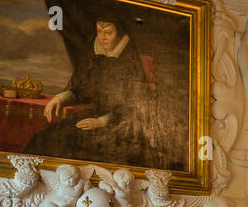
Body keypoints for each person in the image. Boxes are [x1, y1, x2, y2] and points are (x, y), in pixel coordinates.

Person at [24, 16, 152, 165]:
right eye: (99, 32)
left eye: (108, 33)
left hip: (121, 127)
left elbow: (134, 107)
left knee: (71, 146)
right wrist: (61, 98)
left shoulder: (130, 64)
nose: (103, 38)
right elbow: (82, 90)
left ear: (119, 35)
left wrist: (101, 121)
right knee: (45, 138)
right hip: (93, 118)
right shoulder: (96, 58)